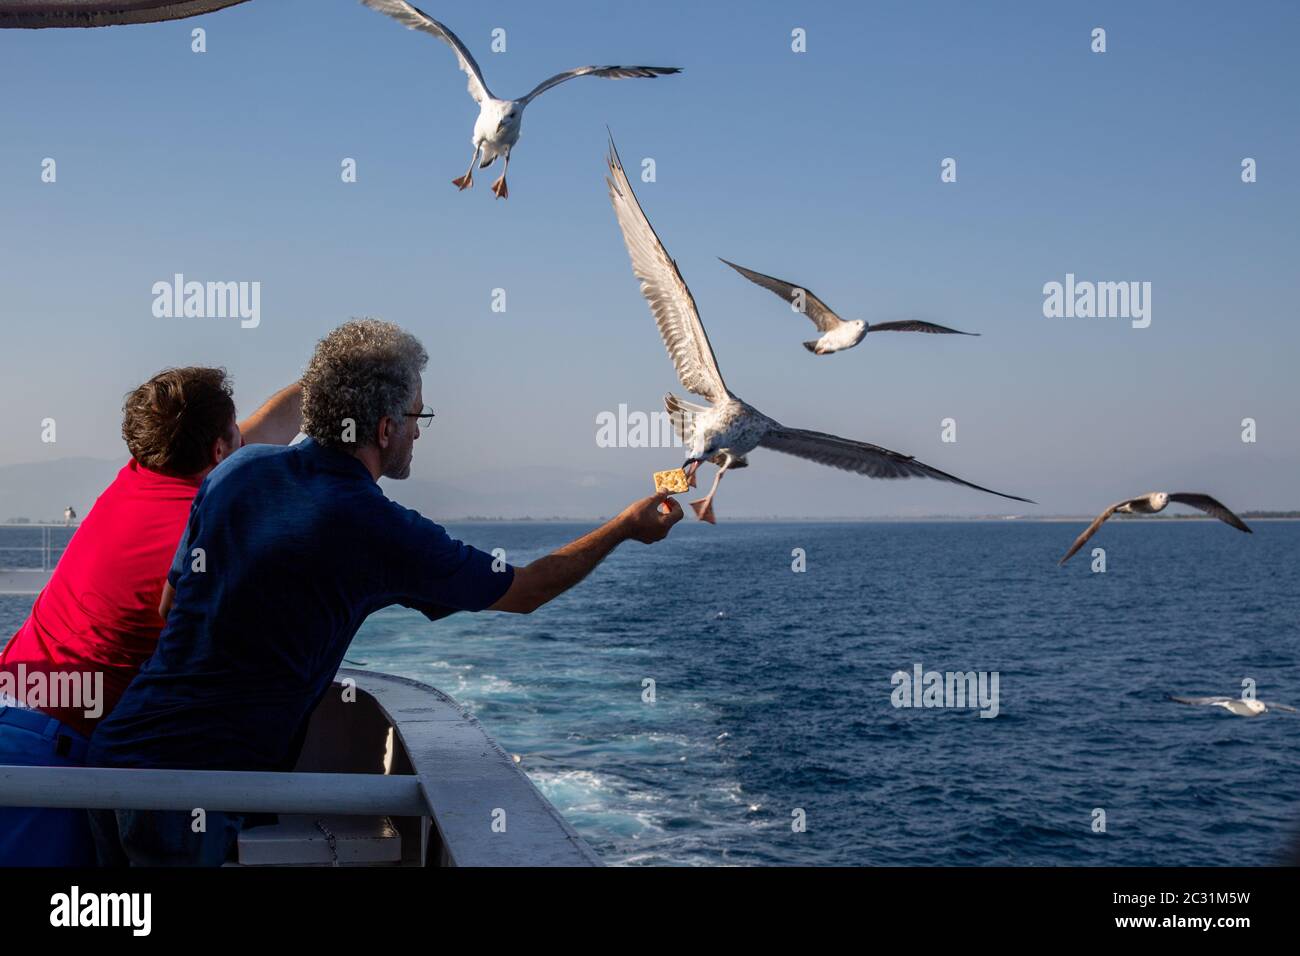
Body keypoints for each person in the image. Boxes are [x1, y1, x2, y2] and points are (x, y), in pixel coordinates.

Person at [86, 319, 682, 866]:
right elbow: (524, 590)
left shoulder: (236, 472)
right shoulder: (379, 528)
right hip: (191, 797)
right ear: (385, 427)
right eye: (419, 418)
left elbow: (170, 607)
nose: (419, 435)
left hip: (112, 761)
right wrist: (626, 527)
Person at [0, 368, 302, 866]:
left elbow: (265, 426)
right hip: (48, 758)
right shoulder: (203, 535)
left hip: (17, 710)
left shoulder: (139, 474)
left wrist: (325, 383)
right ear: (221, 450)